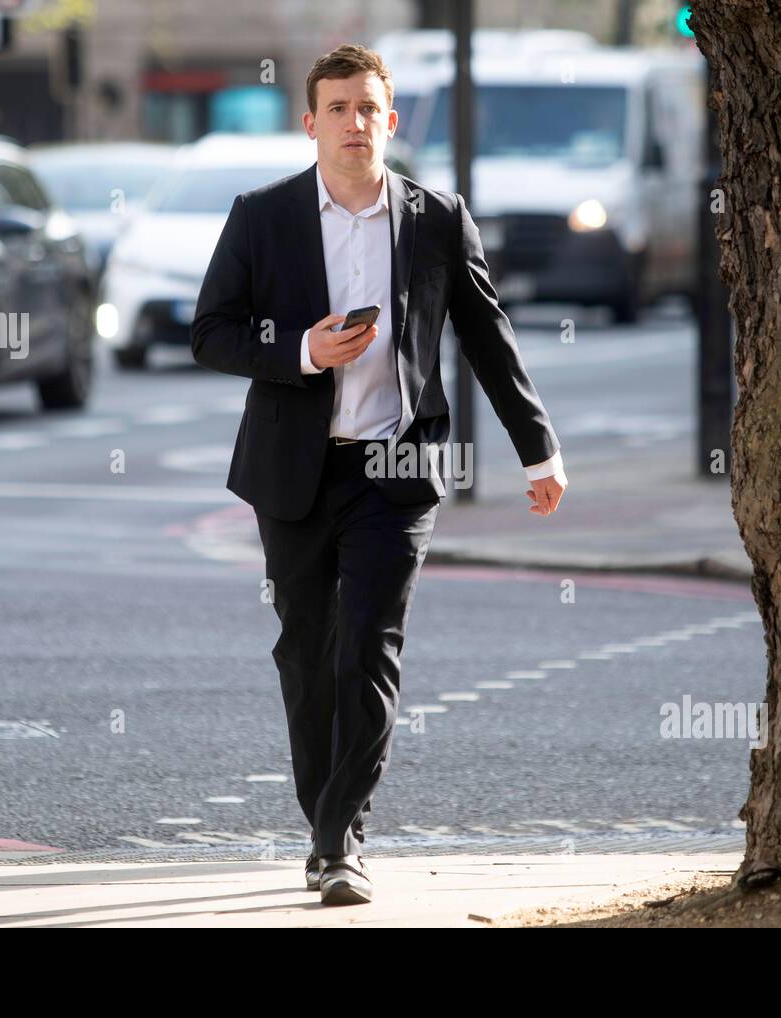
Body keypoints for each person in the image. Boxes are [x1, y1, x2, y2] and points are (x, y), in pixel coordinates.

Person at [190, 43, 567, 907]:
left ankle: (337, 839)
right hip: (294, 470)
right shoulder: (263, 216)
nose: (355, 123)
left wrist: (537, 448)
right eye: (339, 108)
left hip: (397, 467)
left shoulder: (436, 218)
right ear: (310, 122)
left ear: (389, 121)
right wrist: (301, 350)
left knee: (368, 646)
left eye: (370, 108)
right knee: (306, 654)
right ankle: (328, 822)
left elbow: (488, 339)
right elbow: (210, 332)